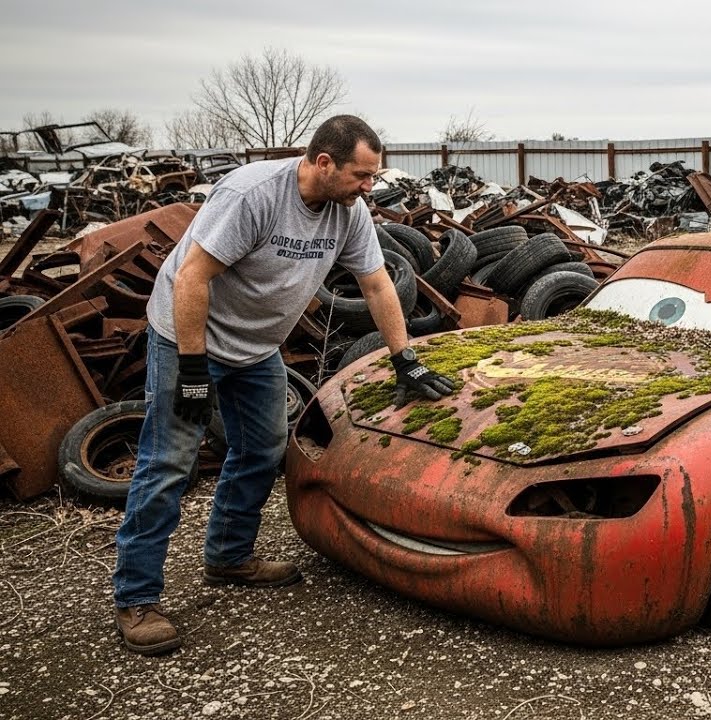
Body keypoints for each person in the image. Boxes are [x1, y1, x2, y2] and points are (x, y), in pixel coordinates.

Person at [112, 115, 456, 655]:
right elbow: (192, 276)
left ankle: (228, 556)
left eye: (373, 176)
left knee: (263, 447)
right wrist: (195, 368)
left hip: (256, 349)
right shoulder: (253, 195)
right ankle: (136, 597)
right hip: (188, 338)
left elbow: (375, 282)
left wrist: (405, 359)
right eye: (361, 176)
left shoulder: (350, 212)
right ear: (324, 163)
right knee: (169, 460)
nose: (370, 187)